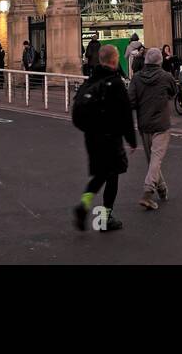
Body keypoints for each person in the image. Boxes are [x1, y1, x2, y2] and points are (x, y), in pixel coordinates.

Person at [73, 44, 136, 233]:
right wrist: (131, 140)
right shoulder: (115, 82)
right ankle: (105, 219)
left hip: (91, 137)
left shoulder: (90, 81)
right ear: (115, 60)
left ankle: (84, 205)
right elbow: (125, 113)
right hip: (110, 137)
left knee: (100, 174)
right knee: (112, 176)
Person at [127, 47, 177, 210]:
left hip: (144, 124)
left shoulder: (137, 78)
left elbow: (131, 102)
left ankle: (162, 190)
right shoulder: (166, 76)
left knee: (153, 160)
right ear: (160, 61)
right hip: (161, 123)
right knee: (156, 160)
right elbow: (173, 92)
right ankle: (148, 193)